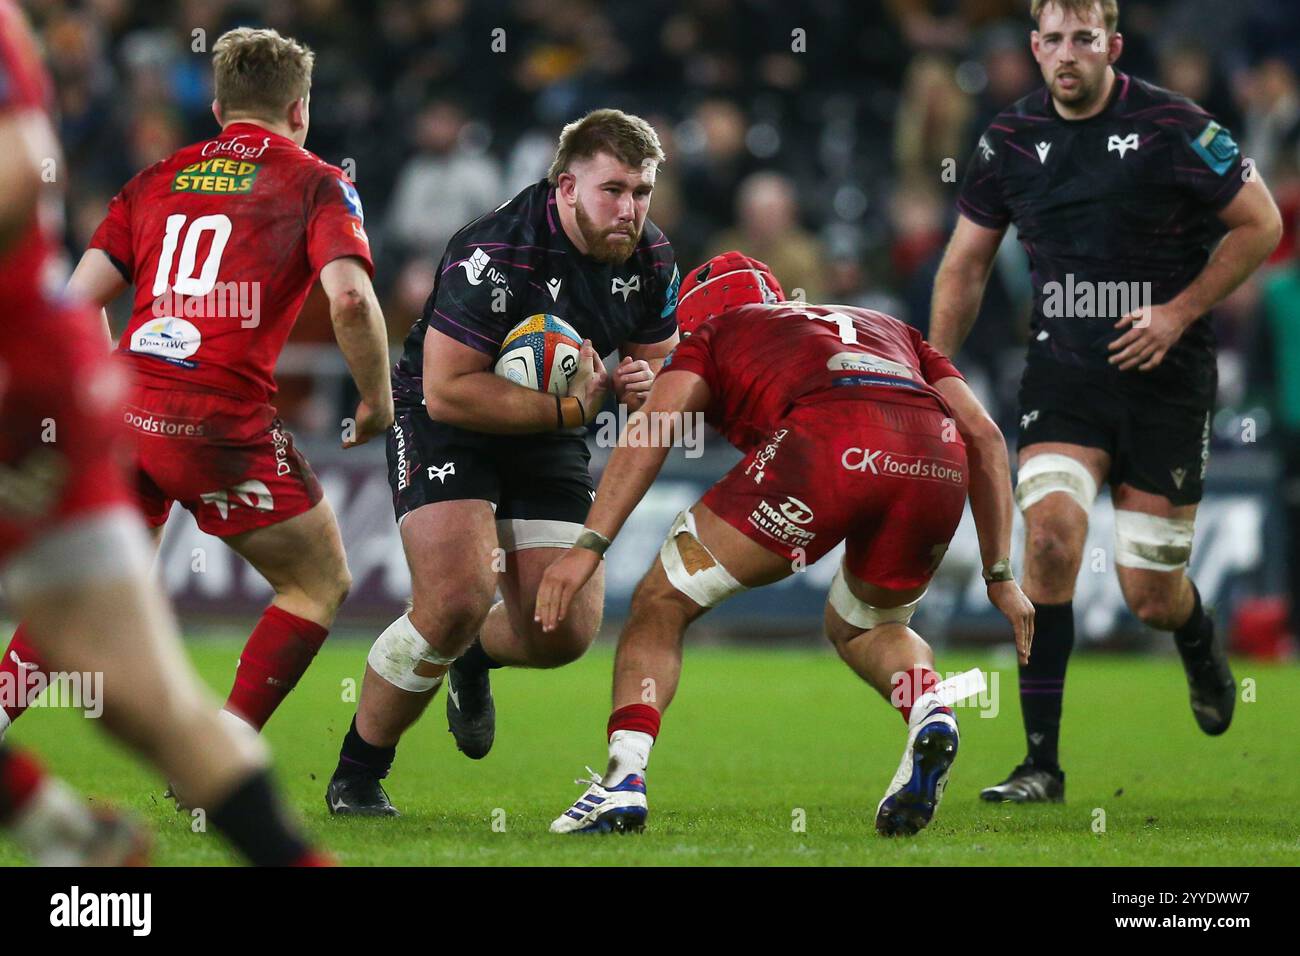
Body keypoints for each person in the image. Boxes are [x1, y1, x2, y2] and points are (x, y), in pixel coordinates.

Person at [535, 252, 1034, 837]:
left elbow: (656, 425)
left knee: (661, 603)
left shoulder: (716, 332)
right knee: (866, 624)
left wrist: (588, 547)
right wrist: (1000, 572)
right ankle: (930, 708)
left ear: (696, 319)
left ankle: (622, 783)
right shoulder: (890, 327)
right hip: (934, 453)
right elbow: (985, 434)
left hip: (825, 443)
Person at [929, 0, 1283, 802]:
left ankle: (1195, 635)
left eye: (1083, 39)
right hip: (1063, 376)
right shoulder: (1007, 141)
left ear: (1112, 46)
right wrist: (936, 372)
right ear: (1033, 47)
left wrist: (1178, 313)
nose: (1066, 54)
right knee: (1048, 541)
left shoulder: (1175, 125)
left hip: (1168, 381)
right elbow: (964, 266)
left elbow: (1259, 224)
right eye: (1051, 39)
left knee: (1148, 594)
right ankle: (1040, 766)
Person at [0, 26, 394, 742]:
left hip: (124, 411)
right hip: (219, 419)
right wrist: (377, 397)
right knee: (317, 584)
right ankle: (226, 755)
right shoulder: (317, 182)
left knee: (87, 594)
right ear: (300, 110)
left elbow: (73, 301)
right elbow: (350, 300)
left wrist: (117, 367)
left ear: (218, 107)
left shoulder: (155, 177)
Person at [326, 109, 680, 816]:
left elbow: (660, 372)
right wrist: (578, 410)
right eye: (613, 190)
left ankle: (474, 657)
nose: (630, 209)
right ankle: (358, 772)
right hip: (444, 418)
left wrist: (640, 386)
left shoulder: (651, 260)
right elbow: (448, 391)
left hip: (551, 421)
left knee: (562, 632)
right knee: (455, 599)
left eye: (641, 191)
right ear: (565, 186)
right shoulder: (495, 250)